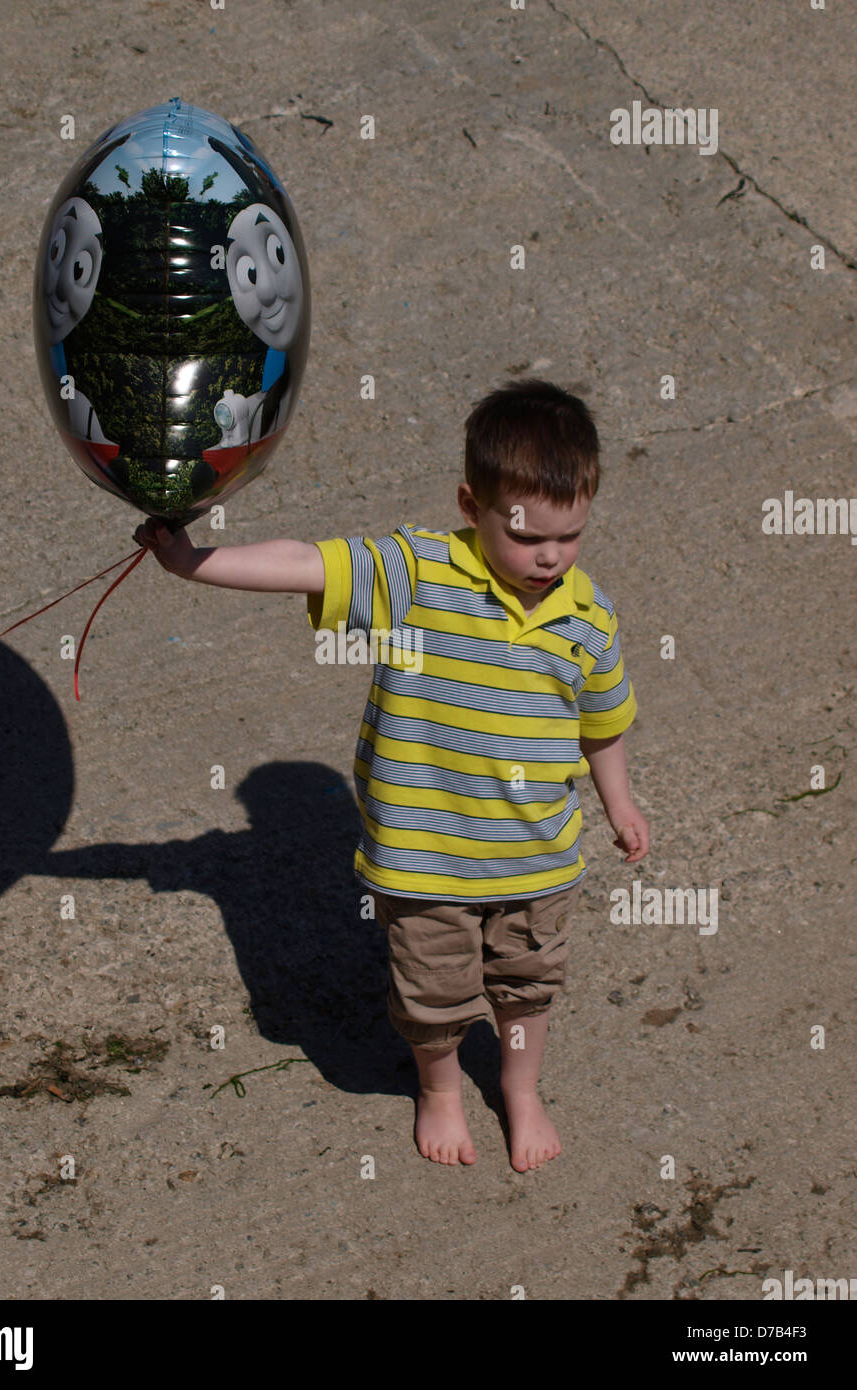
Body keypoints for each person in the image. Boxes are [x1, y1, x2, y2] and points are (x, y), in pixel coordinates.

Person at [134, 378, 650, 1172]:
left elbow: (601, 724)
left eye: (569, 536)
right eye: (526, 537)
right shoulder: (413, 573)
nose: (548, 557)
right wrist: (192, 561)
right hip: (423, 855)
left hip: (537, 859)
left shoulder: (589, 618)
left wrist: (618, 803)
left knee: (527, 984)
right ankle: (440, 1088)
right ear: (470, 504)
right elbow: (305, 563)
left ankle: (520, 1085)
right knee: (432, 993)